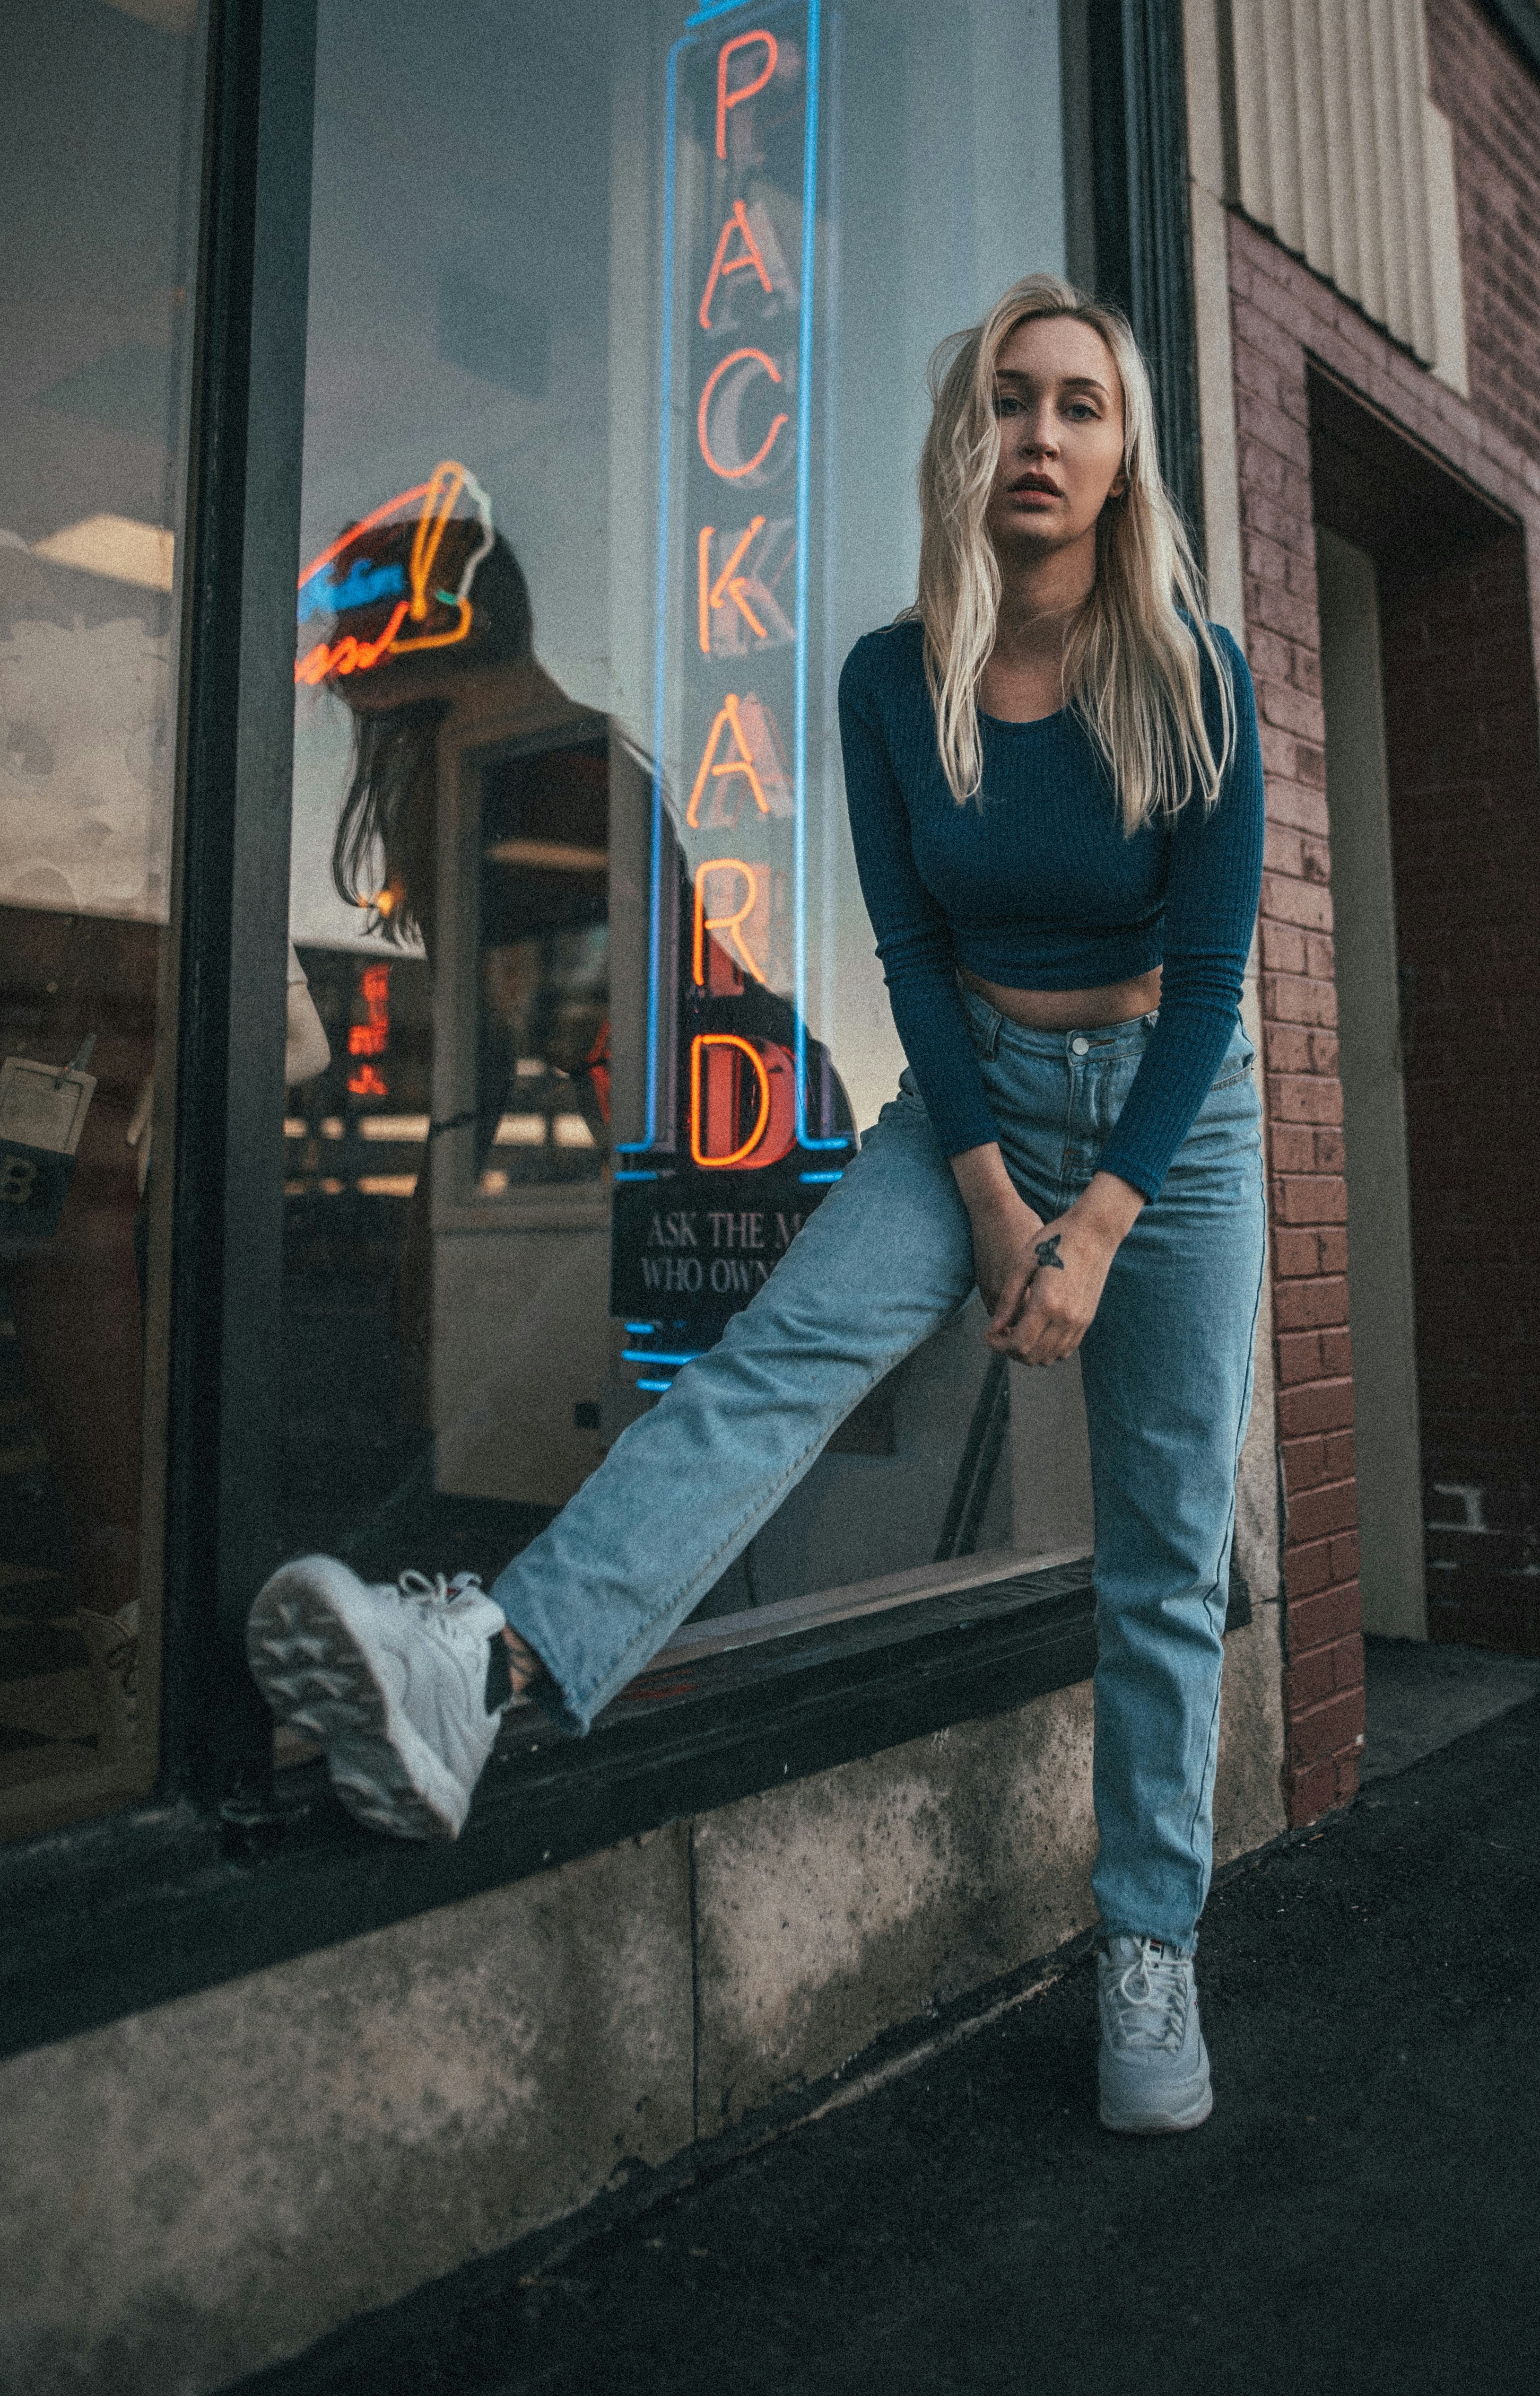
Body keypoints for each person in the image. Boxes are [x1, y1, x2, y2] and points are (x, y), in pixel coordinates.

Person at [247, 272, 1266, 2136]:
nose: (1037, 433)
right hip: (968, 1089)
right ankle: (484, 1669)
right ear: (965, 446)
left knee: (1160, 1557)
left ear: (1121, 464)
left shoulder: (1192, 678)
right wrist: (976, 1191)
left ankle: (1146, 1947)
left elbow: (1206, 995)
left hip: (1172, 1129)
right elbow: (903, 944)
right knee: (771, 1357)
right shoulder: (895, 679)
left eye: (1077, 407)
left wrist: (1101, 1221)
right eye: (1005, 404)